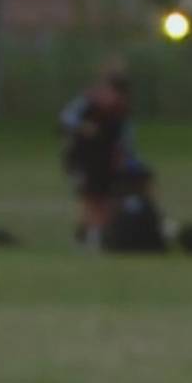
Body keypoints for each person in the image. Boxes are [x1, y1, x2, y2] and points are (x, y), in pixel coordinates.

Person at [60, 66, 133, 250]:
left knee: (104, 200)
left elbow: (125, 138)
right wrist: (83, 127)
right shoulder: (88, 103)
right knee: (90, 199)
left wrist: (126, 157)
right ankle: (87, 237)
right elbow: (66, 119)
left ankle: (97, 237)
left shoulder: (120, 110)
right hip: (84, 159)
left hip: (105, 161)